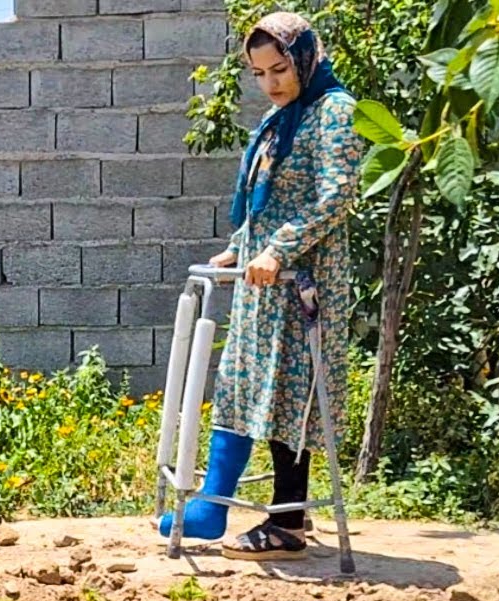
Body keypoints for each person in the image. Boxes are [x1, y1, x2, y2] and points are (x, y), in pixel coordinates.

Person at [157, 12, 361, 560]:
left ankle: (286, 523)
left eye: (280, 68)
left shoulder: (333, 112)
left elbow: (337, 196)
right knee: (250, 385)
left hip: (303, 279)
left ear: (306, 58)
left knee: (290, 393)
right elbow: (266, 198)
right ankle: (222, 504)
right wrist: (241, 245)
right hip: (263, 276)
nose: (271, 83)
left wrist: (278, 249)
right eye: (259, 73)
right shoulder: (281, 118)